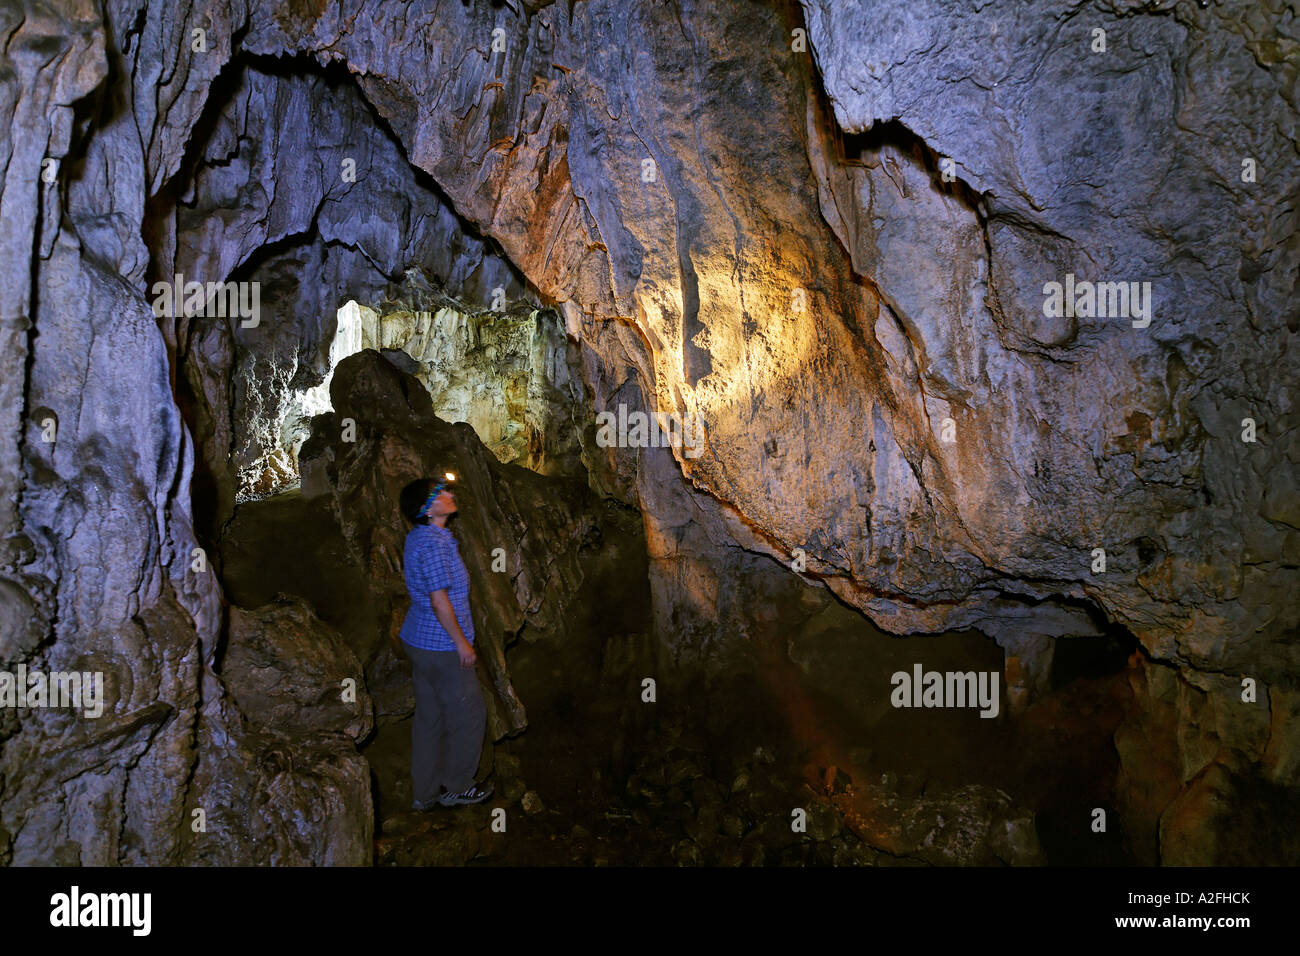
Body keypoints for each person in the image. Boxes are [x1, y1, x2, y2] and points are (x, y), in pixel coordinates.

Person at [398, 473, 492, 809]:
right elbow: (440, 600)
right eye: (440, 492)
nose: (448, 493)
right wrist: (462, 644)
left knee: (429, 717)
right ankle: (456, 786)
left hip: (419, 642)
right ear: (427, 507)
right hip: (442, 647)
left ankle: (423, 795)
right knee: (469, 714)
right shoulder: (434, 545)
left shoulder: (422, 537)